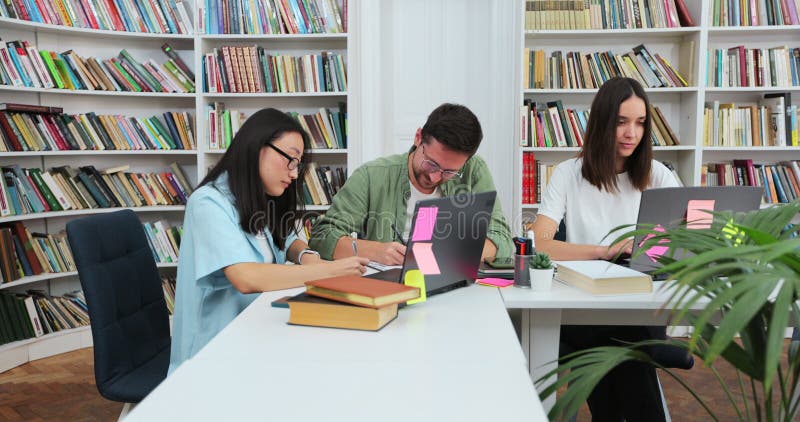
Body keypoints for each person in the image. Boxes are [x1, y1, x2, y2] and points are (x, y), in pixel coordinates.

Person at [169, 108, 368, 373]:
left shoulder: (257, 195)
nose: (294, 174)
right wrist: (329, 271)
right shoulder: (208, 203)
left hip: (257, 329)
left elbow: (286, 237)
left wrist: (306, 255)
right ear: (257, 147)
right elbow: (246, 277)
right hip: (213, 352)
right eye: (291, 160)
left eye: (298, 164)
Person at [532, 77, 679, 421]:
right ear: (602, 122)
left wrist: (647, 247)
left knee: (620, 345)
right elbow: (541, 243)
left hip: (639, 304)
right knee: (625, 349)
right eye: (621, 122)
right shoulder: (568, 174)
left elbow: (688, 235)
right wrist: (603, 251)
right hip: (585, 305)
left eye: (640, 123)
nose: (631, 133)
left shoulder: (658, 175)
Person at [309, 103, 513, 264]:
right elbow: (322, 237)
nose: (435, 178)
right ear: (418, 138)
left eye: (449, 172)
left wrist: (454, 256)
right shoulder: (371, 176)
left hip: (451, 286)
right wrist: (375, 251)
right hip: (388, 289)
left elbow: (501, 237)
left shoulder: (474, 170)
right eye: (431, 164)